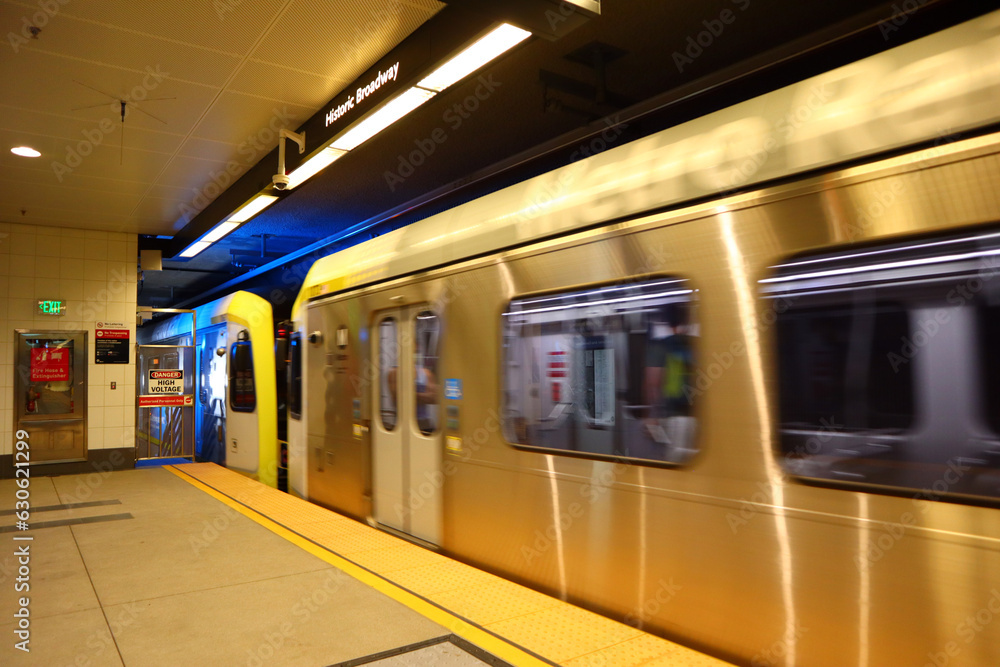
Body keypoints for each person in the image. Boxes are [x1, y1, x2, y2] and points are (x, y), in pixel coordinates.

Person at [643, 302, 696, 450]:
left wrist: (651, 415)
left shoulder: (661, 346)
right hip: (700, 415)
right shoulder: (697, 344)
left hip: (674, 416)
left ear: (667, 321)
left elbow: (652, 382)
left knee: (675, 464)